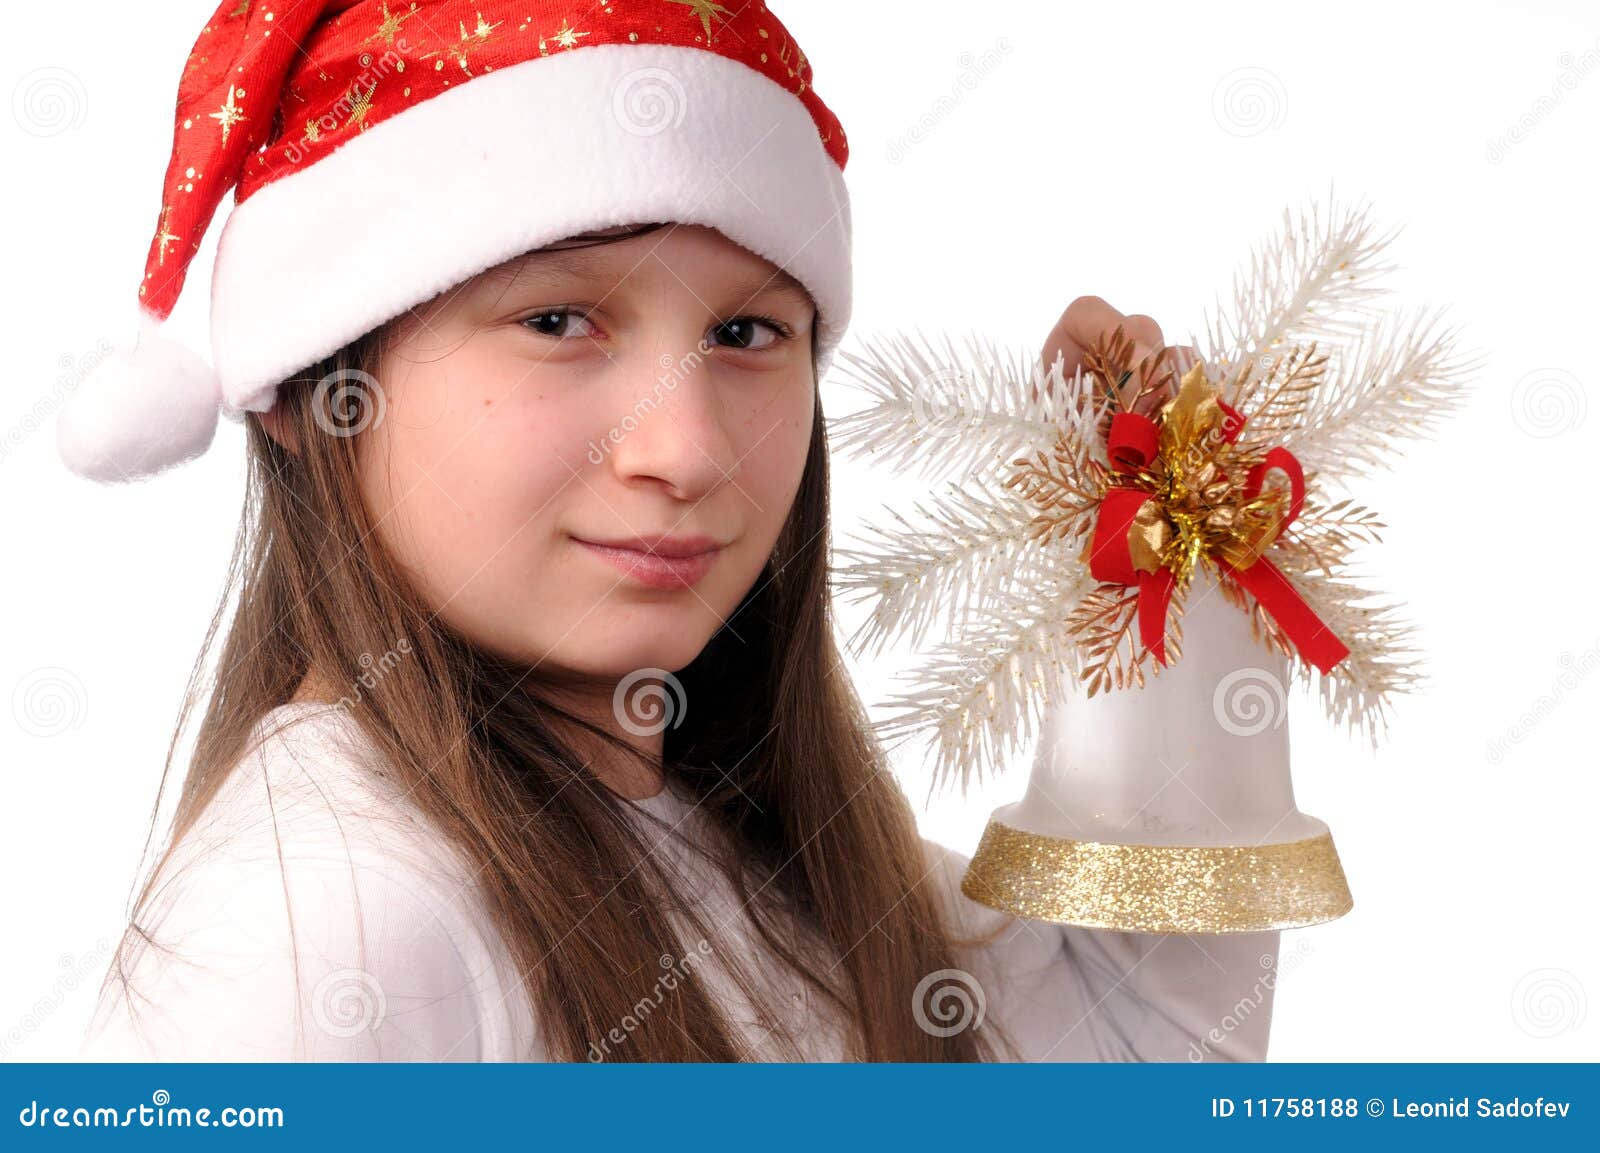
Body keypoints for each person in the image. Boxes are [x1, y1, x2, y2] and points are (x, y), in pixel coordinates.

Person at [64, 0, 1277, 1062]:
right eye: (556, 321)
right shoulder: (319, 922)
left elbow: (1138, 1064)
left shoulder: (745, 851)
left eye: (746, 334)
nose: (687, 450)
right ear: (309, 390)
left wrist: (1161, 562)